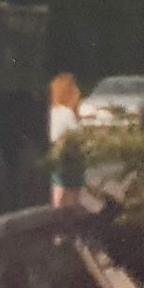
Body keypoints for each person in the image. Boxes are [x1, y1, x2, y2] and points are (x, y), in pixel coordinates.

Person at [48, 73, 86, 207]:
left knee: (56, 191)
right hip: (67, 159)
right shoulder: (67, 113)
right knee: (69, 196)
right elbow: (78, 138)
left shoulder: (51, 111)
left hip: (53, 156)